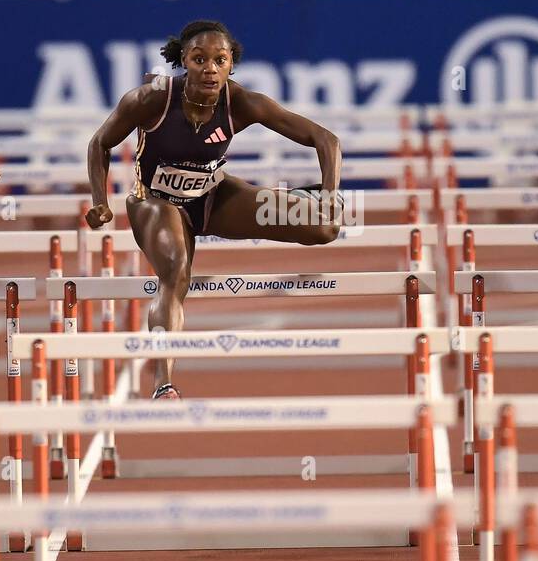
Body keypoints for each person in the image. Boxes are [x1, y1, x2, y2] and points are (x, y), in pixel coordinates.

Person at [84, 20, 343, 400]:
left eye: (219, 60)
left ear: (230, 65)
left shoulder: (241, 103)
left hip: (212, 196)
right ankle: (163, 383)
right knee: (176, 270)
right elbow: (99, 144)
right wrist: (100, 201)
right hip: (155, 201)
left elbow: (326, 139)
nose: (209, 68)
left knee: (326, 228)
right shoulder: (151, 99)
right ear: (184, 62)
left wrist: (332, 196)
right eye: (199, 59)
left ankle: (308, 196)